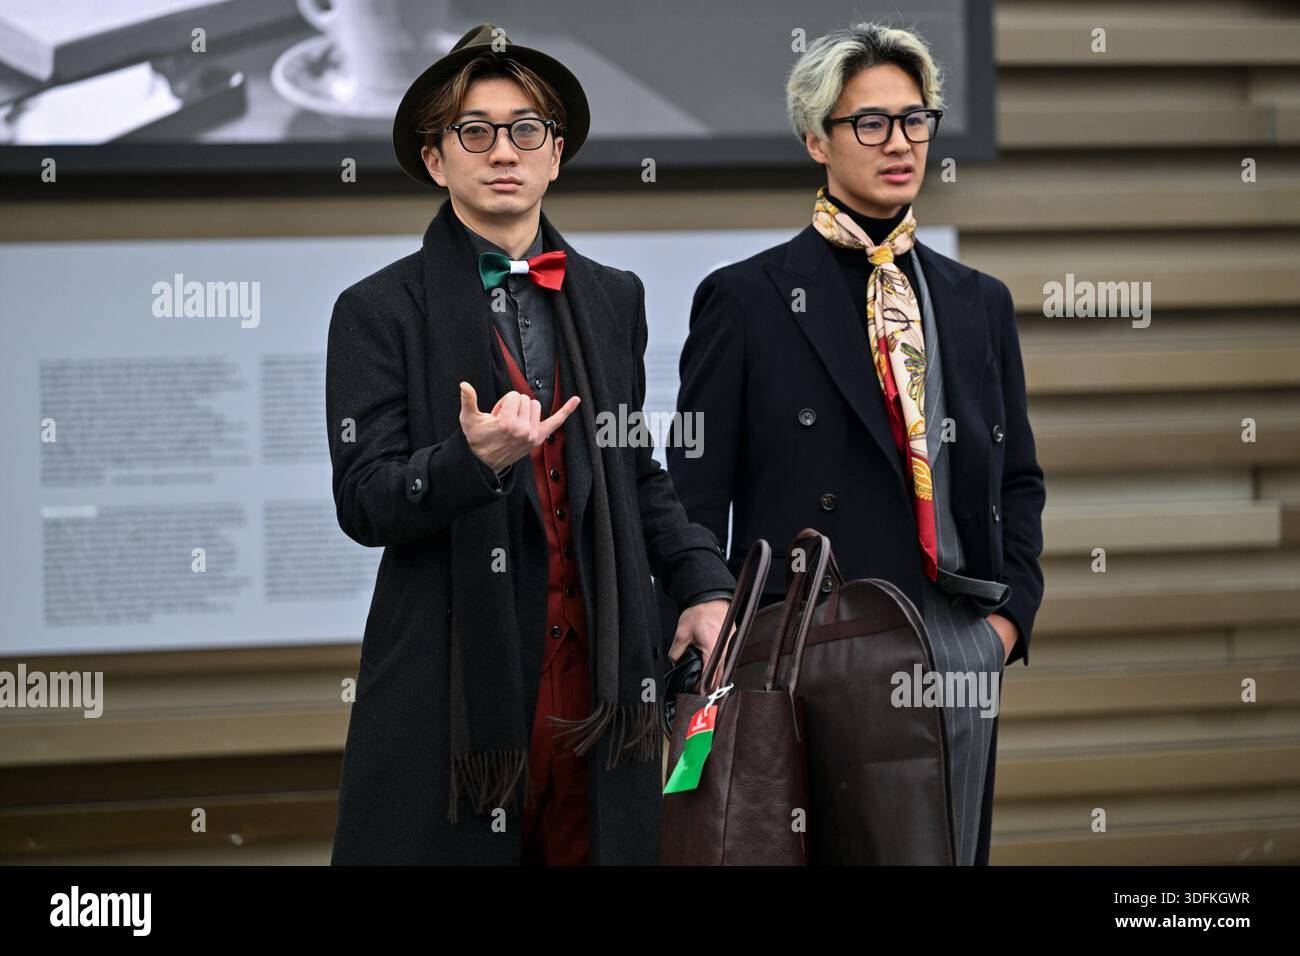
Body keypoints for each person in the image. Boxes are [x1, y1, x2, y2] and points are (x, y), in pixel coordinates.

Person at [325, 23, 734, 865]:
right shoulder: (375, 310)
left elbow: (636, 471)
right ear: (438, 161)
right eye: (474, 131)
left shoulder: (613, 298)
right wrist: (468, 464)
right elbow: (364, 500)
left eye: (526, 130)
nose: (501, 150)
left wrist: (699, 581)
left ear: (555, 156)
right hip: (455, 698)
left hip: (602, 689)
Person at [665, 22, 1046, 865]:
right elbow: (691, 493)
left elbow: (1016, 479)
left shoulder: (977, 300)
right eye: (869, 123)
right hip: (801, 645)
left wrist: (1006, 624)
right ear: (815, 140)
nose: (899, 143)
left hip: (951, 640)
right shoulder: (746, 298)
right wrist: (708, 615)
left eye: (916, 120)